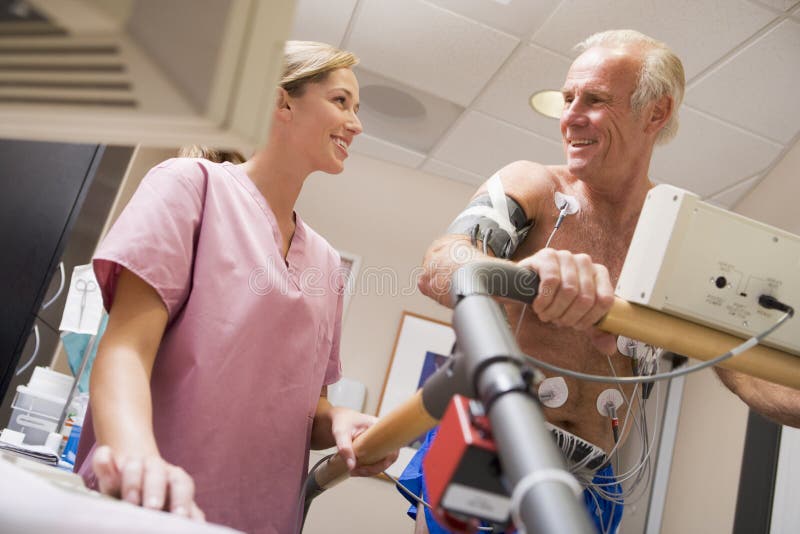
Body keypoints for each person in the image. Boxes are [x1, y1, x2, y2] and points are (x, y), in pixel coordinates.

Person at [74, 41, 397, 533]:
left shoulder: (327, 265)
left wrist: (340, 423)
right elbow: (124, 349)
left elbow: (299, 408)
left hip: (261, 519)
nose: (357, 123)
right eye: (341, 101)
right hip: (149, 506)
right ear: (281, 102)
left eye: (356, 108)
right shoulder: (190, 187)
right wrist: (135, 458)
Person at [399, 30, 685, 534]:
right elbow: (440, 265)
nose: (570, 115)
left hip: (594, 481)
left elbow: (742, 361)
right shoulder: (533, 184)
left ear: (655, 113)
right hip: (492, 445)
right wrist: (518, 275)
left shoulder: (676, 233)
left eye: (594, 100)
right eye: (568, 98)